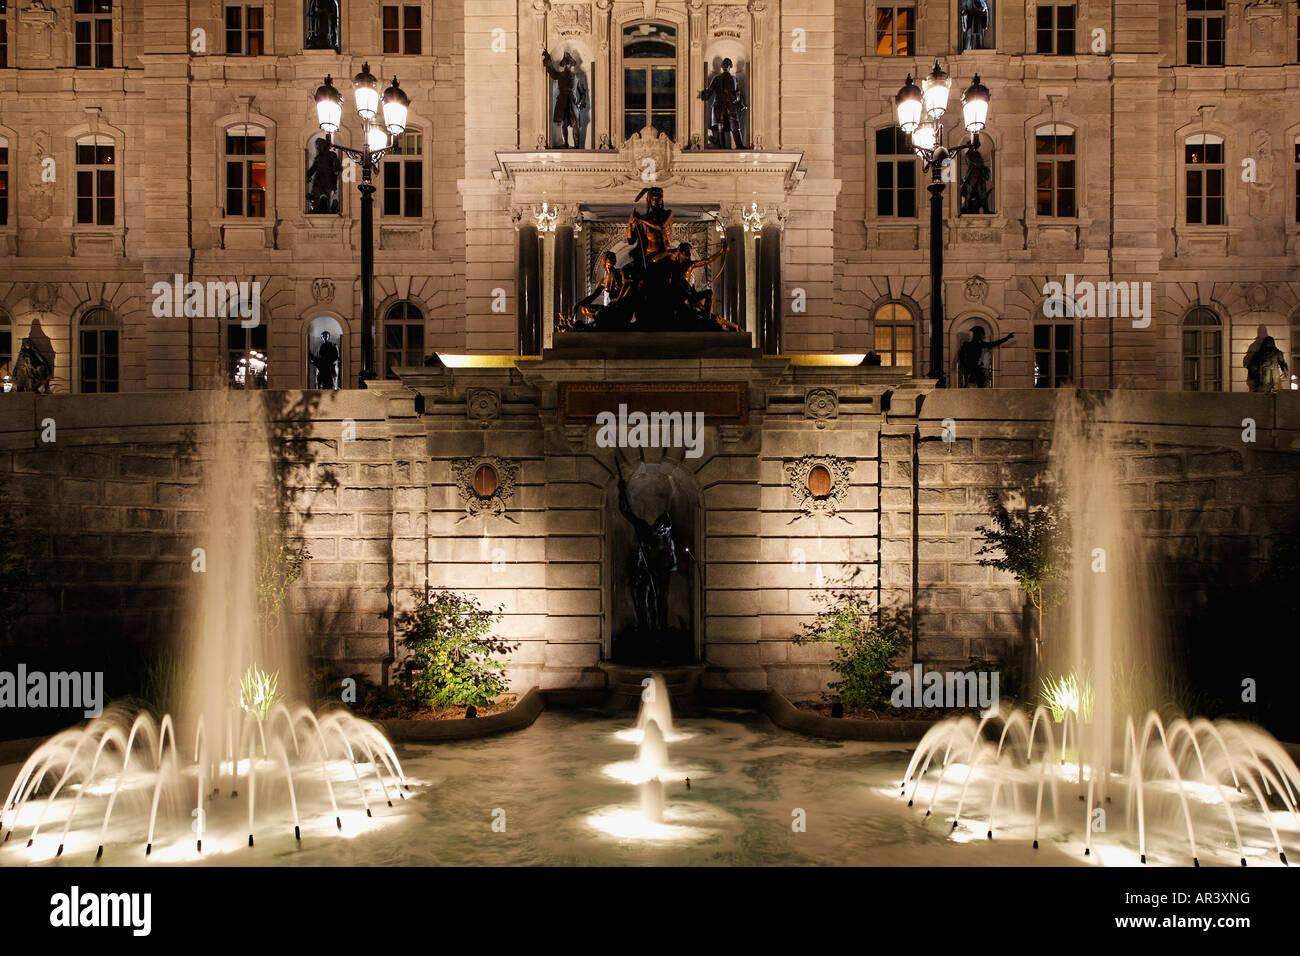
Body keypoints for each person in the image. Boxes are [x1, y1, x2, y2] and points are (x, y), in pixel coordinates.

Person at [617, 467, 677, 637]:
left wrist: (663, 569)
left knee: (660, 602)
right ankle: (646, 633)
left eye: (666, 530)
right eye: (662, 528)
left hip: (659, 575)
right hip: (643, 573)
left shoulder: (667, 540)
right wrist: (622, 492)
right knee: (642, 602)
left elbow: (671, 562)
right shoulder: (644, 528)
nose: (663, 531)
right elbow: (626, 512)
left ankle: (661, 632)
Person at [542, 50, 587, 148]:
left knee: (575, 122)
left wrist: (580, 103)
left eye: (568, 63)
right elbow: (552, 72)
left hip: (573, 101)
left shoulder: (576, 77)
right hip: (562, 100)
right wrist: (548, 61)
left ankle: (577, 145)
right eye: (565, 63)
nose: (567, 65)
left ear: (571, 65)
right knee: (564, 123)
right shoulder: (560, 75)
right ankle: (566, 143)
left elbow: (582, 92)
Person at [699, 58, 747, 149]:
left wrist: (741, 105)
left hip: (725, 106)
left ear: (729, 66)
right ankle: (725, 146)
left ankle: (736, 146)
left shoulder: (730, 78)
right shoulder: (720, 78)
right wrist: (704, 94)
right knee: (723, 127)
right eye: (725, 65)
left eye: (727, 64)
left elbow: (738, 93)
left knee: (733, 127)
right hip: (722, 105)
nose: (726, 66)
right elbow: (737, 94)